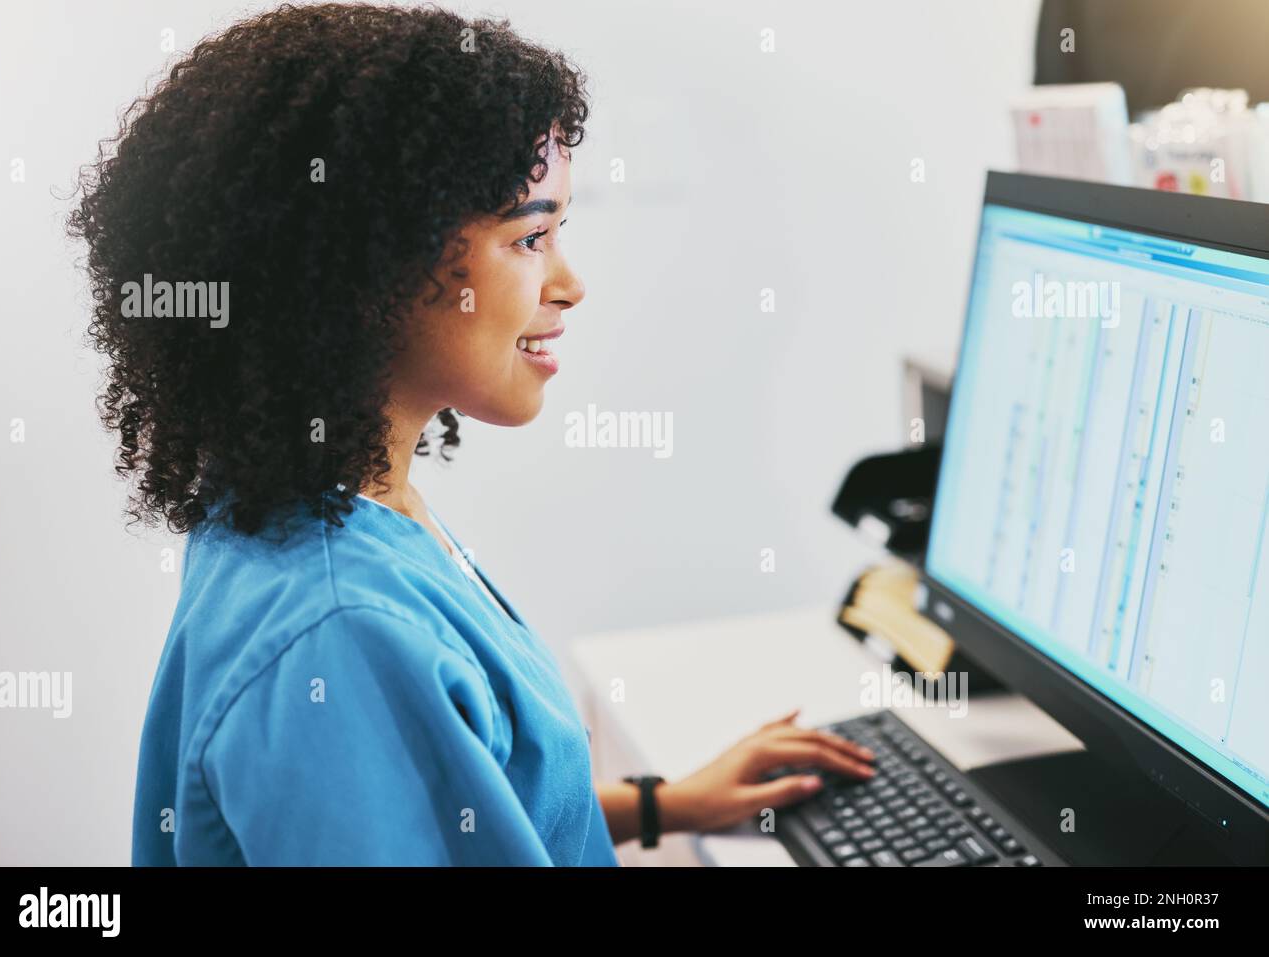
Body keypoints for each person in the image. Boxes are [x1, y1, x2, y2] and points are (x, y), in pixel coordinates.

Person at [68, 2, 876, 866]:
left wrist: (665, 804)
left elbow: (468, 807)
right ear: (373, 267)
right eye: (532, 236)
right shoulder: (342, 634)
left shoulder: (325, 503)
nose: (571, 284)